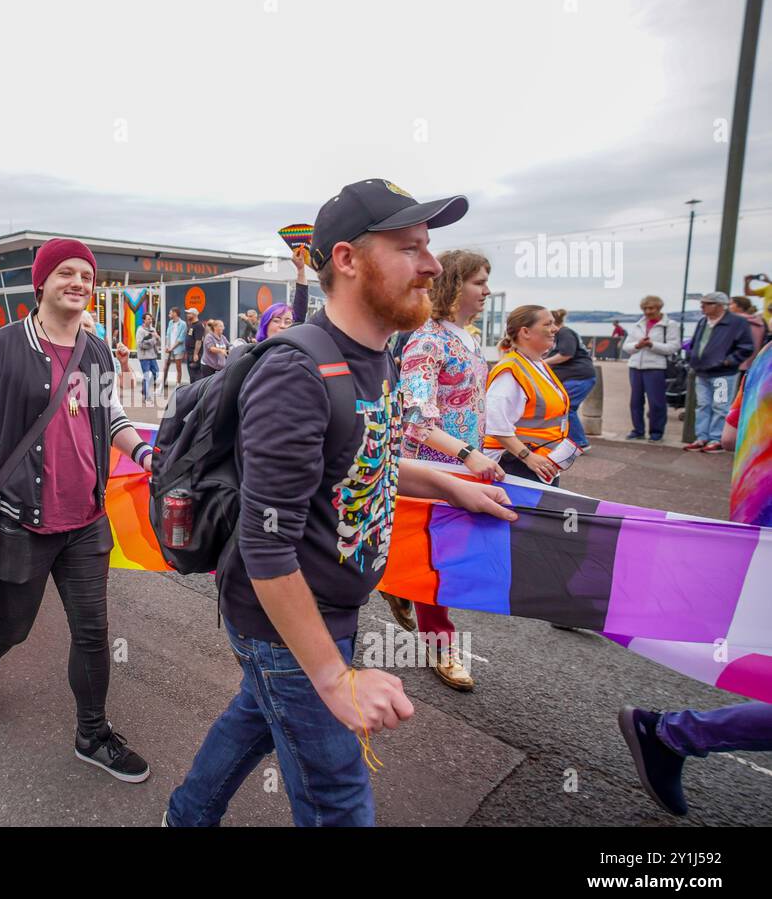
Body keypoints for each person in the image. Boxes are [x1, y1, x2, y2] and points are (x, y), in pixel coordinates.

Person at [167, 179, 516, 828]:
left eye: (430, 248)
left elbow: (364, 455)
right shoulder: (299, 374)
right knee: (339, 802)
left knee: (253, 719)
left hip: (325, 611)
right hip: (286, 624)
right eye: (410, 248)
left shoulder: (376, 356)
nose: (433, 266)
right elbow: (268, 548)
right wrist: (334, 678)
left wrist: (448, 483)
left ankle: (185, 816)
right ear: (349, 260)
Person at [0, 237, 157, 783]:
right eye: (65, 273)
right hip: (21, 521)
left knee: (93, 631)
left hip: (86, 522)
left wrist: (143, 452)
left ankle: (92, 733)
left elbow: (109, 415)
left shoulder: (97, 352)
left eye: (86, 276)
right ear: (40, 282)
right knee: (14, 626)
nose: (78, 283)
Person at [618, 342, 772, 816]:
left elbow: (728, 440)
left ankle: (676, 734)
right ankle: (675, 733)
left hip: (757, 531)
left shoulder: (765, 356)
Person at [384, 250, 505, 691]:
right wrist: (468, 453)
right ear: (454, 285)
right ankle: (441, 646)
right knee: (439, 565)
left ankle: (394, 580)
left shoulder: (469, 338)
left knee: (438, 561)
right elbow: (415, 416)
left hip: (463, 469)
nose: (487, 290)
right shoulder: (427, 340)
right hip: (430, 471)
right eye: (479, 281)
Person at [481, 306, 569, 485]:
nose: (555, 329)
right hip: (518, 466)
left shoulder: (536, 364)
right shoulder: (511, 371)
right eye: (548, 324)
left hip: (539, 463)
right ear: (526, 332)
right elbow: (495, 423)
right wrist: (528, 457)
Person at [683, 291, 752, 453]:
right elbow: (696, 343)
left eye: (707, 303)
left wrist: (728, 361)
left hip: (723, 373)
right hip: (702, 371)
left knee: (720, 406)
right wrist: (692, 356)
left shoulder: (736, 323)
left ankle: (716, 438)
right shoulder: (703, 322)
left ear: (720, 306)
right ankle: (701, 437)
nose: (702, 306)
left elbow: (746, 347)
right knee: (702, 405)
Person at [624, 295, 681, 442]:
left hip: (656, 367)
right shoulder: (638, 324)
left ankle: (656, 432)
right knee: (635, 401)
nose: (648, 312)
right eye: (645, 309)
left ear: (659, 308)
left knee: (656, 402)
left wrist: (652, 345)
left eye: (651, 308)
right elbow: (626, 346)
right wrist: (637, 345)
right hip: (635, 366)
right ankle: (638, 430)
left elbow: (673, 347)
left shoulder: (670, 325)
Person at [545, 309, 598, 451]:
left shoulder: (564, 333)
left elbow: (566, 354)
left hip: (578, 377)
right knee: (565, 408)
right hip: (578, 377)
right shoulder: (561, 334)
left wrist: (544, 363)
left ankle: (580, 442)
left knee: (566, 408)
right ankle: (570, 440)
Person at [730, 295, 768, 379]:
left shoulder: (733, 321)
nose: (728, 307)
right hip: (754, 364)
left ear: (738, 306)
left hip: (734, 365)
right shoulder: (760, 321)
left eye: (731, 304)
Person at [135, 312, 162, 407]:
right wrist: (152, 340)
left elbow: (158, 342)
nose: (150, 320)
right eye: (148, 319)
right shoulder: (140, 330)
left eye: (151, 319)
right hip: (144, 357)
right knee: (146, 376)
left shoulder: (153, 329)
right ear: (144, 320)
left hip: (153, 356)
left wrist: (157, 338)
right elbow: (140, 344)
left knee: (156, 373)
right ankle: (147, 397)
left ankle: (144, 389)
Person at [159, 307, 186, 393]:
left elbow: (181, 338)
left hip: (178, 349)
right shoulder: (170, 322)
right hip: (169, 348)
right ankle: (161, 386)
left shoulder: (183, 324)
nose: (169, 314)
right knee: (165, 367)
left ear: (175, 313)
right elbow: (167, 335)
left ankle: (178, 385)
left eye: (170, 313)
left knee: (178, 367)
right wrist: (167, 346)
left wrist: (172, 348)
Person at [184, 308, 206, 381]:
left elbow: (198, 341)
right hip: (189, 353)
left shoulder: (198, 325)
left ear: (194, 314)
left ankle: (197, 391)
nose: (187, 315)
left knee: (196, 374)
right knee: (191, 374)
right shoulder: (191, 325)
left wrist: (195, 354)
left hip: (194, 354)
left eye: (189, 313)